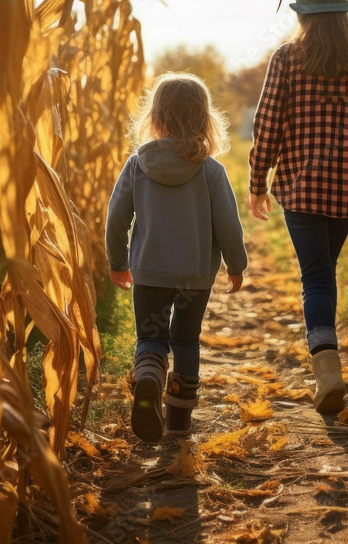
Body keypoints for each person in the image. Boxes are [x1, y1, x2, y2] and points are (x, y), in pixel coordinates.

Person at [248, 0, 348, 415]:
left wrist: (258, 182)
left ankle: (327, 370)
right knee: (323, 274)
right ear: (343, 12)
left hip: (299, 189)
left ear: (304, 15)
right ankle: (328, 363)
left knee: (316, 277)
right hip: (347, 192)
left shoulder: (287, 59)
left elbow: (268, 125)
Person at [106, 73, 248, 442]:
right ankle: (179, 426)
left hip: (149, 271)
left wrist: (118, 261)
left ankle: (149, 377)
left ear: (155, 117)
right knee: (185, 341)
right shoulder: (210, 170)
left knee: (150, 338)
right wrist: (236, 265)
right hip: (195, 276)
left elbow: (116, 217)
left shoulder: (137, 165)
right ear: (204, 119)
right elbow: (229, 226)